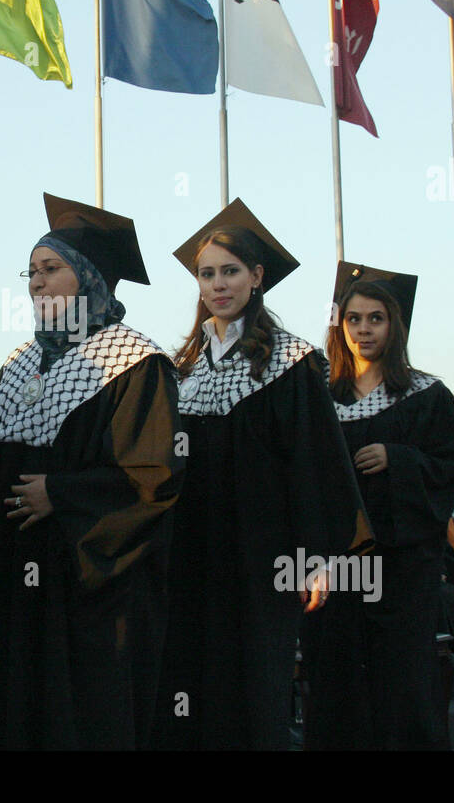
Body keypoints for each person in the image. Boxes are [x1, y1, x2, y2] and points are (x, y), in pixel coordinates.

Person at [0, 193, 183, 749]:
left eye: (51, 268)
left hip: (95, 582)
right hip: (19, 576)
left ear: (89, 279)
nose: (36, 282)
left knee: (87, 714)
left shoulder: (135, 362)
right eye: (31, 271)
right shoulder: (17, 365)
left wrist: (61, 493)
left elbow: (153, 475)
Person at [154, 200, 369, 751]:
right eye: (207, 274)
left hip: (263, 561)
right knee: (189, 686)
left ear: (257, 277)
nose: (218, 284)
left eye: (230, 271)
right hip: (192, 557)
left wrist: (317, 559)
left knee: (255, 690)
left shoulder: (290, 364)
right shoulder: (183, 369)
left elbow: (319, 465)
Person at [301, 262, 454, 749]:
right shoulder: (318, 398)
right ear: (340, 326)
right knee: (336, 686)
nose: (363, 329)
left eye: (376, 318)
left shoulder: (426, 397)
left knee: (402, 688)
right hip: (333, 569)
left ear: (394, 326)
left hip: (402, 573)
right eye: (353, 319)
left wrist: (400, 458)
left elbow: (448, 470)